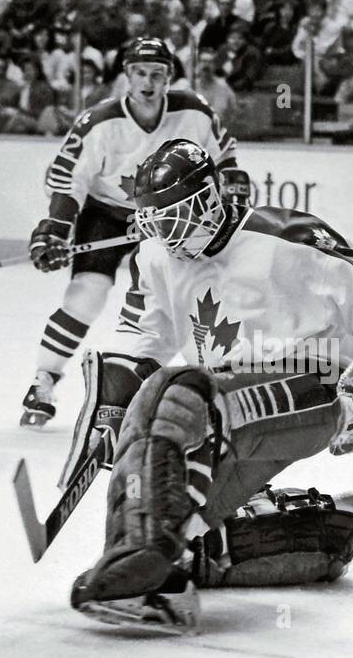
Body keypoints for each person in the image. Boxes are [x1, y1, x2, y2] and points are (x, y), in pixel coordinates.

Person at [65, 139, 353, 630]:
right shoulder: (156, 257)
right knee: (186, 525)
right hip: (220, 407)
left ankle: (142, 568)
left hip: (309, 390)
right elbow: (140, 336)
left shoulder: (285, 235)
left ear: (207, 197)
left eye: (172, 214)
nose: (162, 231)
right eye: (153, 218)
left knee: (179, 392)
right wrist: (111, 408)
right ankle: (158, 578)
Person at [20, 38, 239, 428]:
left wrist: (234, 196)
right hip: (105, 214)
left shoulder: (194, 112)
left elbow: (227, 163)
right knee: (86, 295)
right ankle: (44, 379)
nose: (148, 82)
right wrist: (53, 229)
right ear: (126, 76)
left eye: (157, 73)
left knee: (152, 304)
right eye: (140, 73)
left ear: (170, 77)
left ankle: (134, 386)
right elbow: (68, 179)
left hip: (164, 219)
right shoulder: (100, 122)